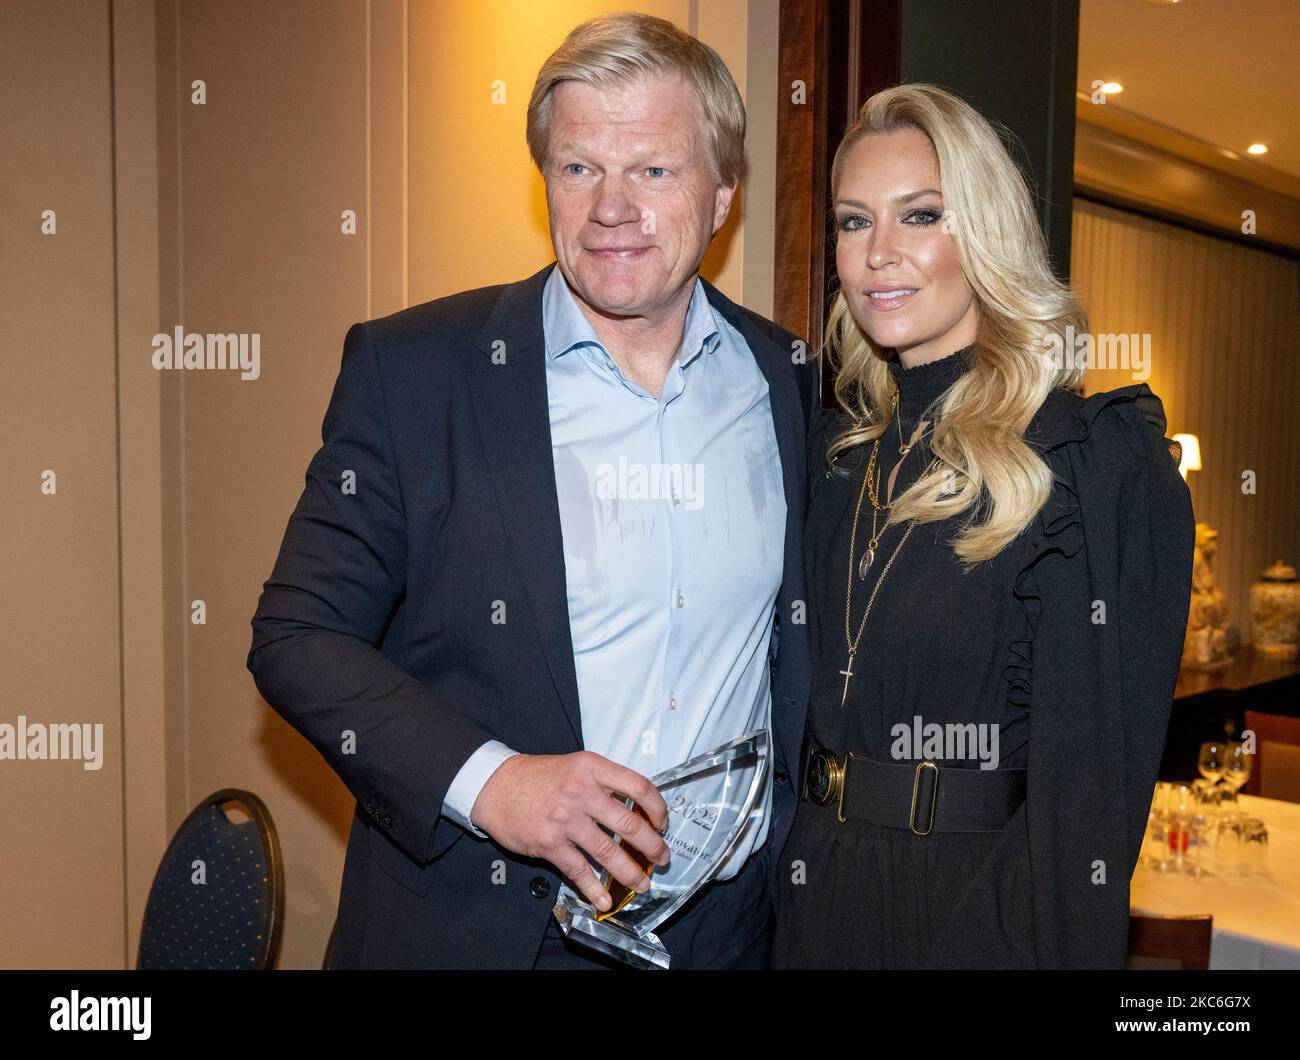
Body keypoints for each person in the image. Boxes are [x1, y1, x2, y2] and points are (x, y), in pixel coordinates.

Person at [247, 12, 818, 969]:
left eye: (654, 170)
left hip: (726, 938)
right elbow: (297, 636)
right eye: (580, 167)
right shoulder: (417, 372)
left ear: (722, 195)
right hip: (484, 934)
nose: (610, 208)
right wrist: (497, 784)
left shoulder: (789, 380)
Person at [771, 83, 1194, 969]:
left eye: (920, 216)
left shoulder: (1084, 463)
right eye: (853, 223)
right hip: (815, 898)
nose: (879, 255)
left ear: (987, 230)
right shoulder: (842, 457)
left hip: (971, 919)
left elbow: (1086, 813)